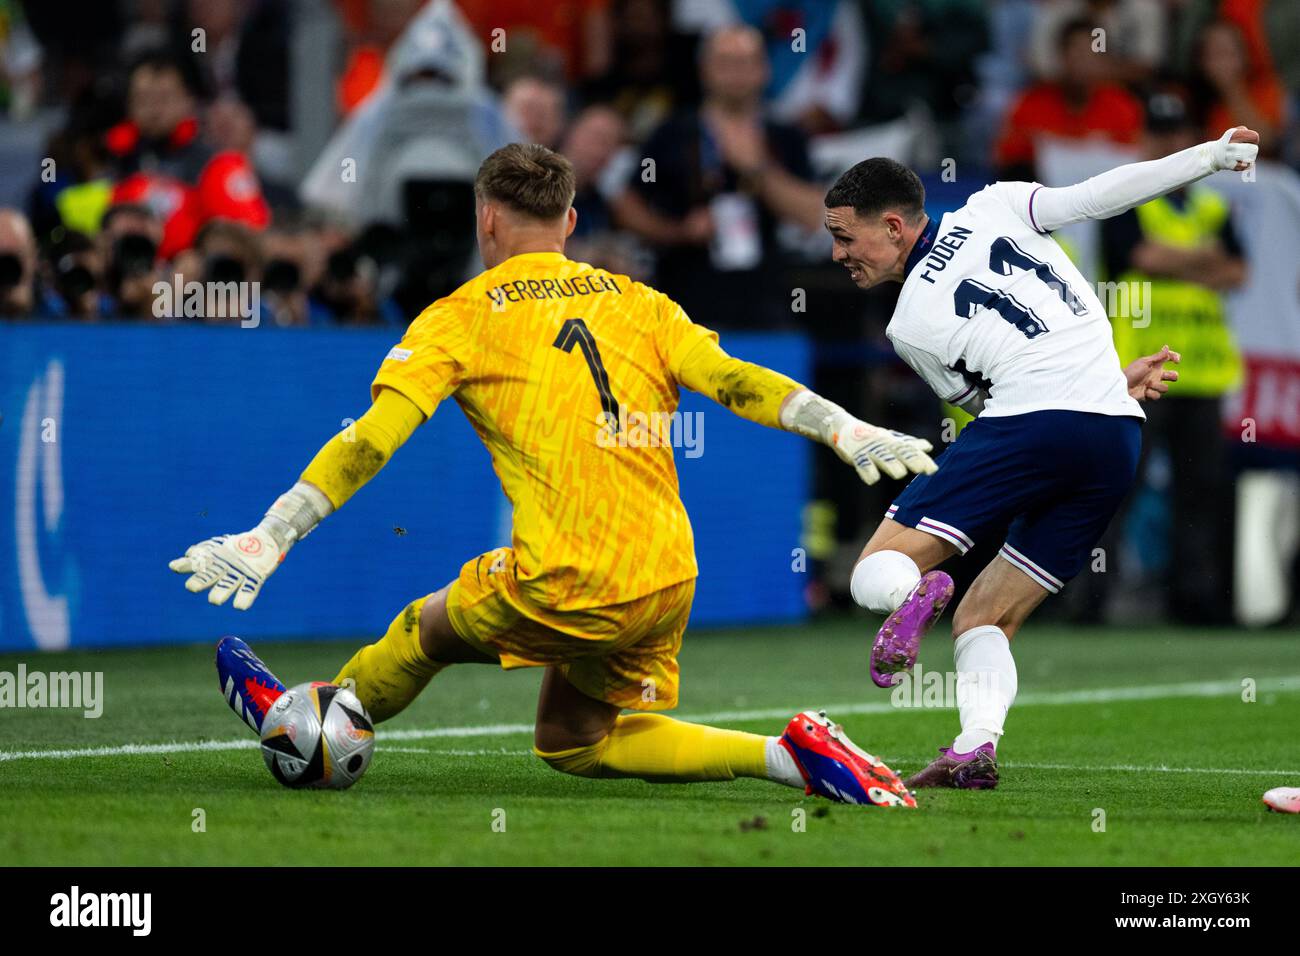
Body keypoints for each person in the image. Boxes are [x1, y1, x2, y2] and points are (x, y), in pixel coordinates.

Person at [170, 143, 939, 808]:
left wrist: (274, 533)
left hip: (568, 575)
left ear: (487, 221)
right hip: (668, 575)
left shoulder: (460, 316)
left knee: (424, 628)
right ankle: (789, 755)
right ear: (571, 224)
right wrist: (843, 425)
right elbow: (735, 379)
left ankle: (313, 723)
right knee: (574, 742)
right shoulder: (639, 302)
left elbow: (373, 440)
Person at [822, 125, 1258, 790]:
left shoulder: (907, 325)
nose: (836, 254)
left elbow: (988, 401)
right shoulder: (996, 203)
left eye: (846, 238)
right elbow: (1100, 196)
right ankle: (974, 747)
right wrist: (1210, 156)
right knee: (989, 613)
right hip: (1113, 430)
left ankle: (920, 588)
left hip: (1033, 421)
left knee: (872, 573)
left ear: (892, 225)